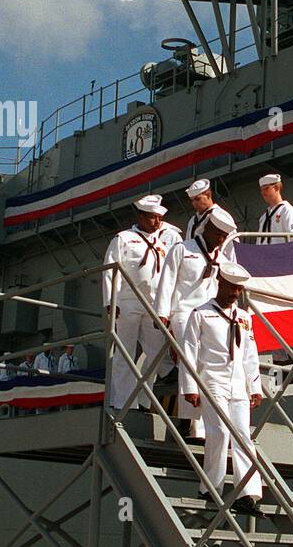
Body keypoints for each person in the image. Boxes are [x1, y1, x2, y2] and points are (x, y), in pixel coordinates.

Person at [180, 262, 266, 517]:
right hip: (212, 381)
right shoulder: (200, 314)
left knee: (242, 436)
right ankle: (210, 487)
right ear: (220, 283)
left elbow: (250, 353)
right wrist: (189, 387)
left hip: (238, 383)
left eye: (239, 290)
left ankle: (248, 493)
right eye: (231, 288)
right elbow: (189, 352)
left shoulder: (243, 317)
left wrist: (255, 386)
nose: (235, 294)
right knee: (218, 433)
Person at [156, 205, 237, 438]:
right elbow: (167, 282)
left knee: (206, 365)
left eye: (224, 236)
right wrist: (162, 314)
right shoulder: (182, 249)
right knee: (189, 364)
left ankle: (199, 425)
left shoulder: (220, 258)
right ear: (206, 228)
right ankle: (188, 422)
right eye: (217, 234)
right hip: (183, 312)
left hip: (208, 314)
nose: (220, 239)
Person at [101, 195, 183, 410]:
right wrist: (111, 301)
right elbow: (111, 269)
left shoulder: (165, 240)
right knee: (125, 353)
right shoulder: (124, 238)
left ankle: (145, 399)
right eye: (152, 218)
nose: (157, 222)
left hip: (154, 304)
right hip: (128, 301)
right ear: (140, 216)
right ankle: (120, 402)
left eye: (158, 218)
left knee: (157, 352)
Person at [257, 173, 293, 243]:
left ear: (276, 187)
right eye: (261, 190)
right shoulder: (263, 217)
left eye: (266, 189)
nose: (263, 193)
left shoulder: (287, 211)